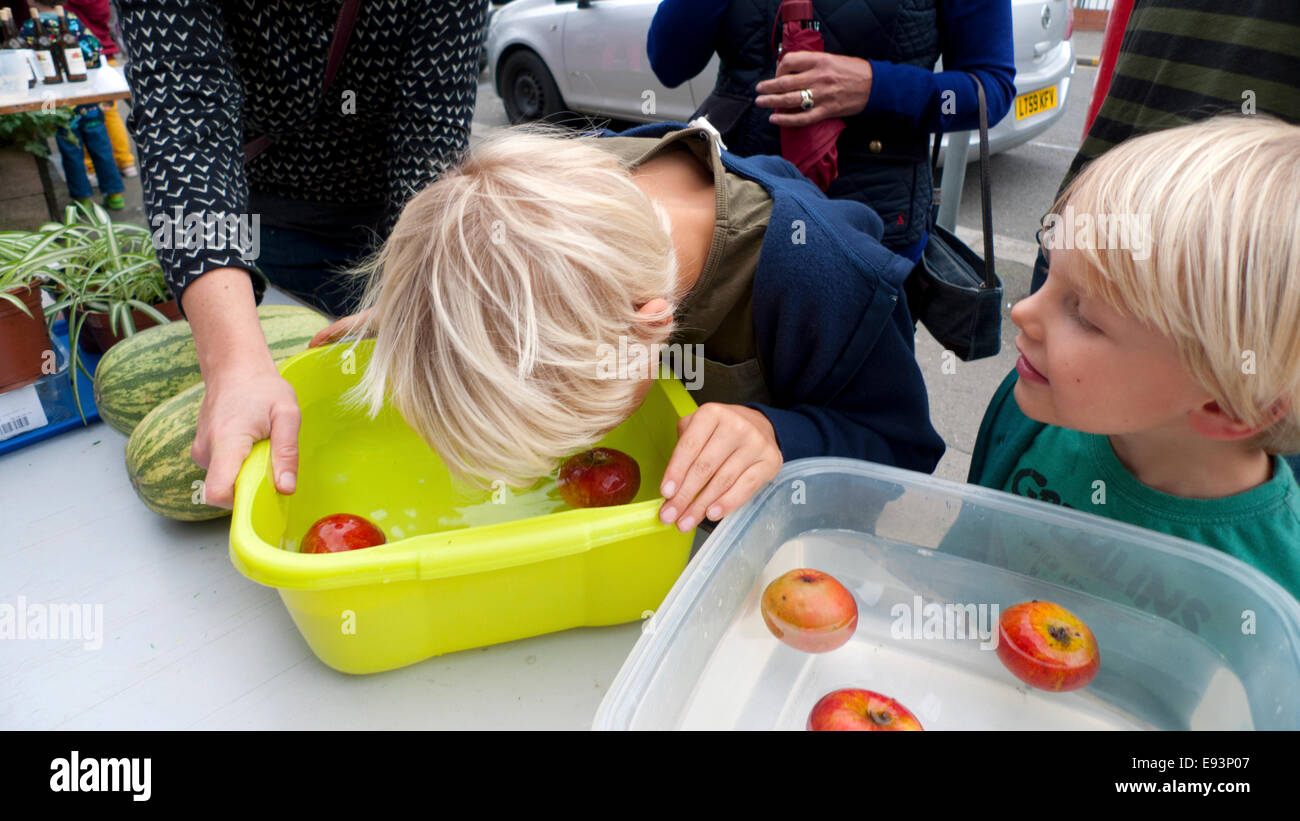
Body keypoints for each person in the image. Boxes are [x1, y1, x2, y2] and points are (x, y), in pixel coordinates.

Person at [310, 121, 945, 531]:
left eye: (579, 427)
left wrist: (781, 437)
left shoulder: (825, 279)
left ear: (652, 327)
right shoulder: (572, 192)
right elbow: (501, 267)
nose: (566, 457)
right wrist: (436, 317)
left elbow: (906, 453)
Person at [114, 0, 488, 508]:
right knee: (311, 392)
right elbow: (184, 122)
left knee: (407, 396)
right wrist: (233, 366)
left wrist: (410, 282)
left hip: (395, 217)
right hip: (264, 213)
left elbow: (432, 125)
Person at [967, 116, 1300, 600]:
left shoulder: (1277, 583)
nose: (1022, 311)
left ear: (1223, 406)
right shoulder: (1031, 411)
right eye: (1049, 273)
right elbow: (959, 564)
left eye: (1084, 314)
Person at [646, 0, 1015, 261]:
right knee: (719, 370)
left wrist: (875, 86)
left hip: (871, 229)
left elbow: (991, 90)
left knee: (858, 371)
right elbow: (669, 62)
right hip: (732, 210)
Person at [21, 5, 124, 210]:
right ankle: (114, 194)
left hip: (50, 99)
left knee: (68, 146)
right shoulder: (73, 22)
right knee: (101, 144)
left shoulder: (29, 28)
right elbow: (94, 54)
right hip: (85, 94)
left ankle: (82, 198)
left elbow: (22, 65)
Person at [64, 0, 137, 177]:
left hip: (80, 61)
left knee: (81, 113)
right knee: (110, 113)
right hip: (105, 56)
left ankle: (91, 167)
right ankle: (126, 162)